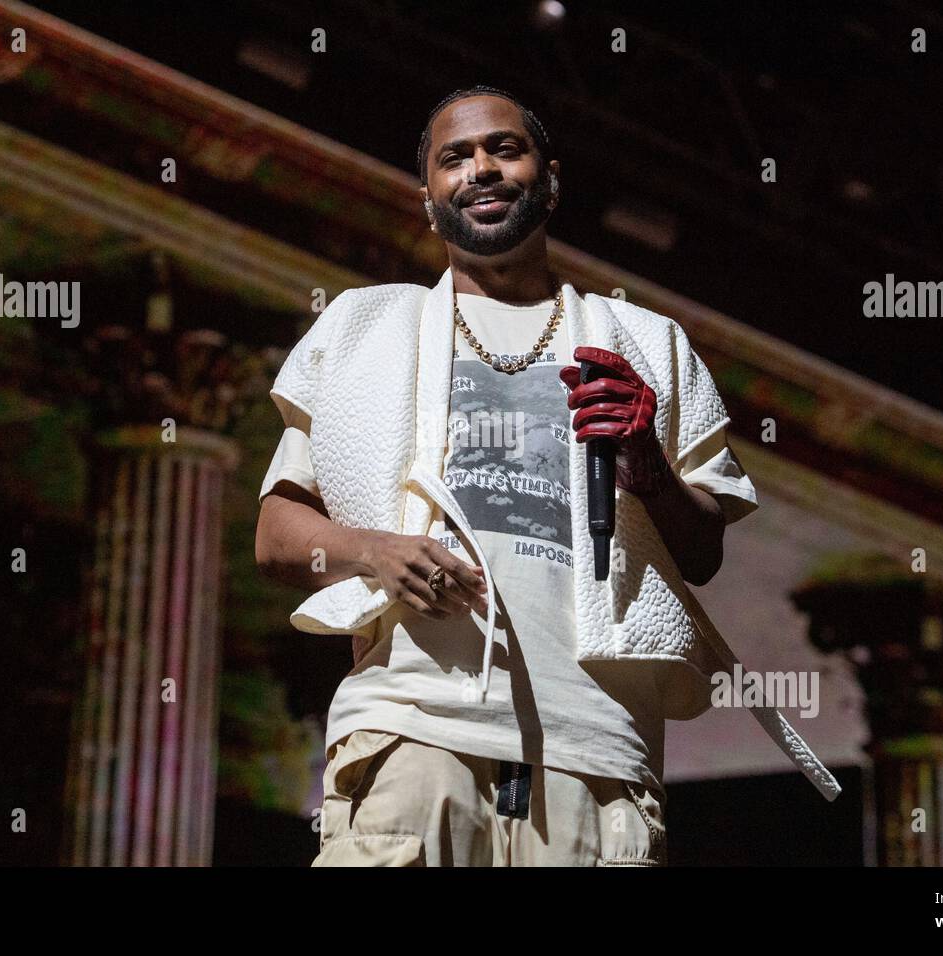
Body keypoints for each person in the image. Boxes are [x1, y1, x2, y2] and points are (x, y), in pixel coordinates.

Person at [255, 85, 759, 866]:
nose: (480, 169)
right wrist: (377, 552)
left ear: (550, 179)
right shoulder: (366, 329)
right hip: (413, 725)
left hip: (591, 743)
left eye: (504, 149)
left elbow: (702, 554)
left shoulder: (644, 341)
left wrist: (647, 465)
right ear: (429, 200)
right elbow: (277, 536)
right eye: (454, 158)